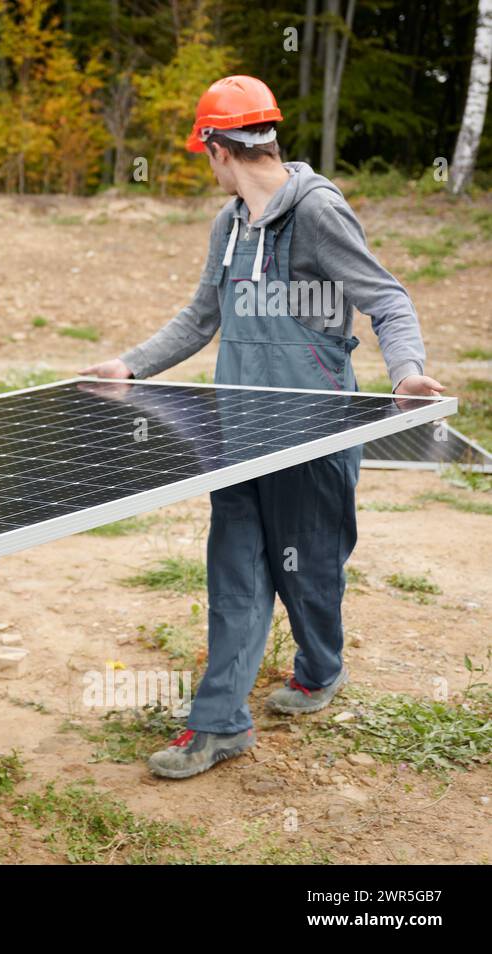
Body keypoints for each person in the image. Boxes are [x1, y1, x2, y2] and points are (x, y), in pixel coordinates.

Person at [81, 76, 444, 779]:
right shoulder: (227, 227)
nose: (206, 166)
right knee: (236, 577)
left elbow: (388, 300)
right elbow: (199, 320)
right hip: (239, 437)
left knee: (309, 579)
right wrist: (131, 366)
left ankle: (321, 669)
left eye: (205, 152)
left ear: (221, 147)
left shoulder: (317, 213)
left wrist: (406, 375)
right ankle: (219, 725)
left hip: (315, 435)